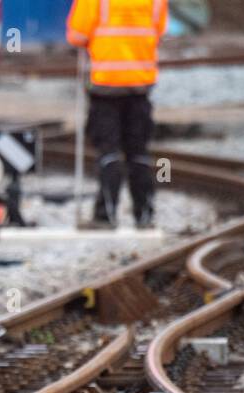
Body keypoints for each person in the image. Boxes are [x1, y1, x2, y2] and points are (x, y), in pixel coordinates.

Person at [66, 0, 168, 228]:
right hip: (140, 86)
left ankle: (105, 215)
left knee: (108, 151)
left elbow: (76, 36)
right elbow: (159, 31)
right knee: (138, 151)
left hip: (106, 86)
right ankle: (144, 214)